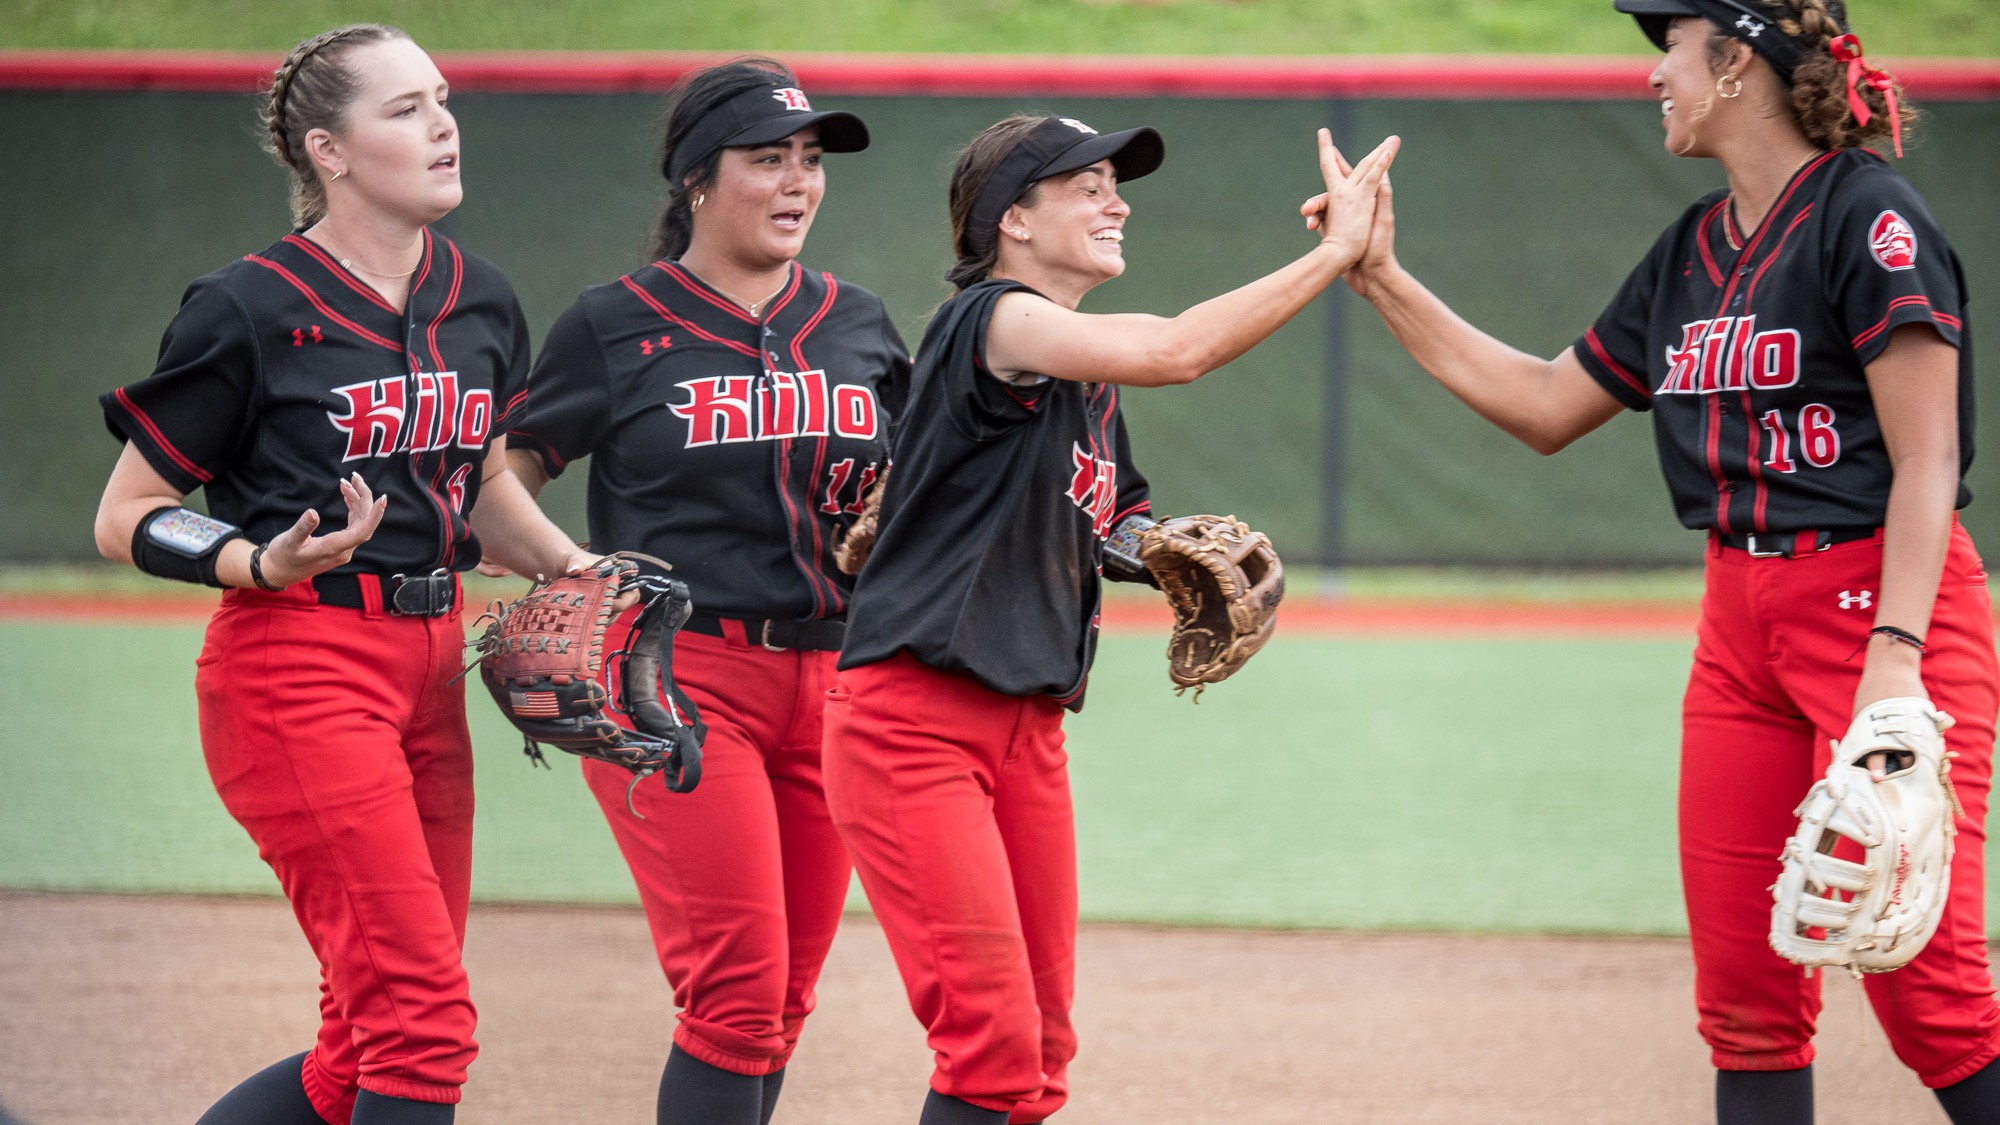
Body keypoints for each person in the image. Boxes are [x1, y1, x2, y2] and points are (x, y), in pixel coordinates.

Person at [1314, 1, 2000, 1120]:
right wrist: (1378, 272)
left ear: (1738, 62)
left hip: (1878, 605)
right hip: (1737, 624)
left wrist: (1893, 658)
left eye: (1670, 47)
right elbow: (1546, 403)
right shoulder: (1691, 247)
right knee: (1744, 999)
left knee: (1926, 990)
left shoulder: (1868, 216)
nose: (1654, 74)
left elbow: (1927, 460)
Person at [823, 113, 1396, 1123]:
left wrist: (1154, 551)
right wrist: (1335, 252)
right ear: (1012, 220)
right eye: (1086, 187)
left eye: (1114, 185)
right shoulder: (993, 320)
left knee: (1039, 1057)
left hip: (1028, 729)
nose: (1116, 204)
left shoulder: (1082, 379)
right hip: (914, 725)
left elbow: (1113, 515)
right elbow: (1177, 350)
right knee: (990, 1048)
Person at [92, 25, 599, 1125]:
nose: (443, 124)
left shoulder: (478, 296)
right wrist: (251, 557)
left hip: (431, 667)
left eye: (444, 98)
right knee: (422, 1026)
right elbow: (123, 517)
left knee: (362, 1041)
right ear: (327, 150)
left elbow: (476, 484)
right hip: (297, 665)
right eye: (405, 108)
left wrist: (571, 562)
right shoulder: (249, 306)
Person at [502, 59, 907, 1125]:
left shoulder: (856, 320)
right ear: (695, 179)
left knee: (782, 1002)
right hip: (678, 677)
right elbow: (503, 470)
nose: (797, 181)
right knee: (735, 996)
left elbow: (919, 489)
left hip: (836, 685)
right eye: (767, 159)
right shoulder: (617, 322)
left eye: (810, 160)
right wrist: (563, 562)